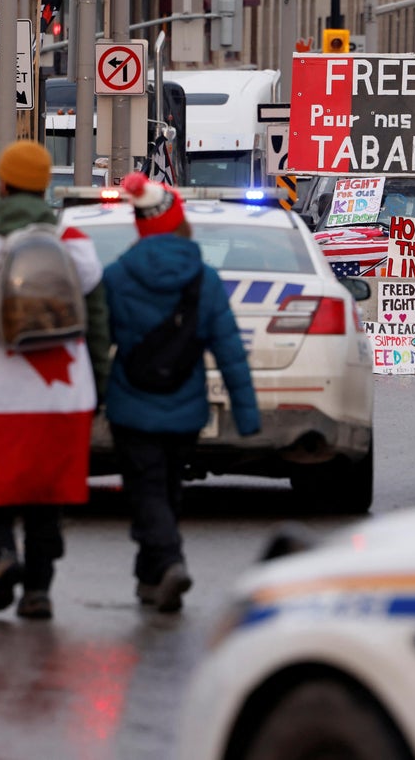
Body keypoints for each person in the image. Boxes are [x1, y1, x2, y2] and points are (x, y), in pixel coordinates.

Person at [0, 140, 111, 620]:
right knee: (47, 494)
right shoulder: (73, 243)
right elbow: (97, 319)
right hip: (64, 391)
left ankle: (2, 556)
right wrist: (102, 383)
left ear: (4, 184)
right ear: (44, 184)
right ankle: (38, 592)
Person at [105, 172, 260, 613]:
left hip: (131, 404)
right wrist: (246, 414)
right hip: (186, 405)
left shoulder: (117, 276)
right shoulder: (204, 279)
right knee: (167, 488)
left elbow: (98, 343)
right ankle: (151, 577)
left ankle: (168, 562)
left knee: (144, 489)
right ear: (178, 222)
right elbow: (229, 349)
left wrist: (89, 399)